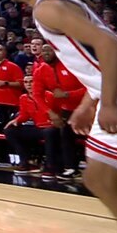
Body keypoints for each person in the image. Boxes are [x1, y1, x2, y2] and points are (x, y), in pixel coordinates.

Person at [5, 0, 117, 227]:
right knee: (99, 179)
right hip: (109, 91)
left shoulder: (47, 8)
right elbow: (96, 60)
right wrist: (88, 103)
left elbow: (109, 45)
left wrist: (106, 104)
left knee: (101, 179)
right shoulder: (55, 5)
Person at [31, 43, 86, 180]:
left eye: (49, 49)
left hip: (87, 108)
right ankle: (71, 168)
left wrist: (67, 95)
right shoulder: (40, 70)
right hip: (66, 110)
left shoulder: (71, 65)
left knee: (97, 138)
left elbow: (90, 88)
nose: (46, 52)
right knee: (65, 134)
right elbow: (37, 94)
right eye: (44, 50)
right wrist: (50, 112)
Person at [3, 76, 52, 175]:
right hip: (37, 127)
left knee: (49, 132)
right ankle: (26, 162)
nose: (28, 84)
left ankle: (50, 166)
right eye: (26, 82)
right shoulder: (23, 98)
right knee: (10, 130)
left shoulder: (48, 95)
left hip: (50, 126)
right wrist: (16, 121)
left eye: (31, 81)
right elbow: (24, 115)